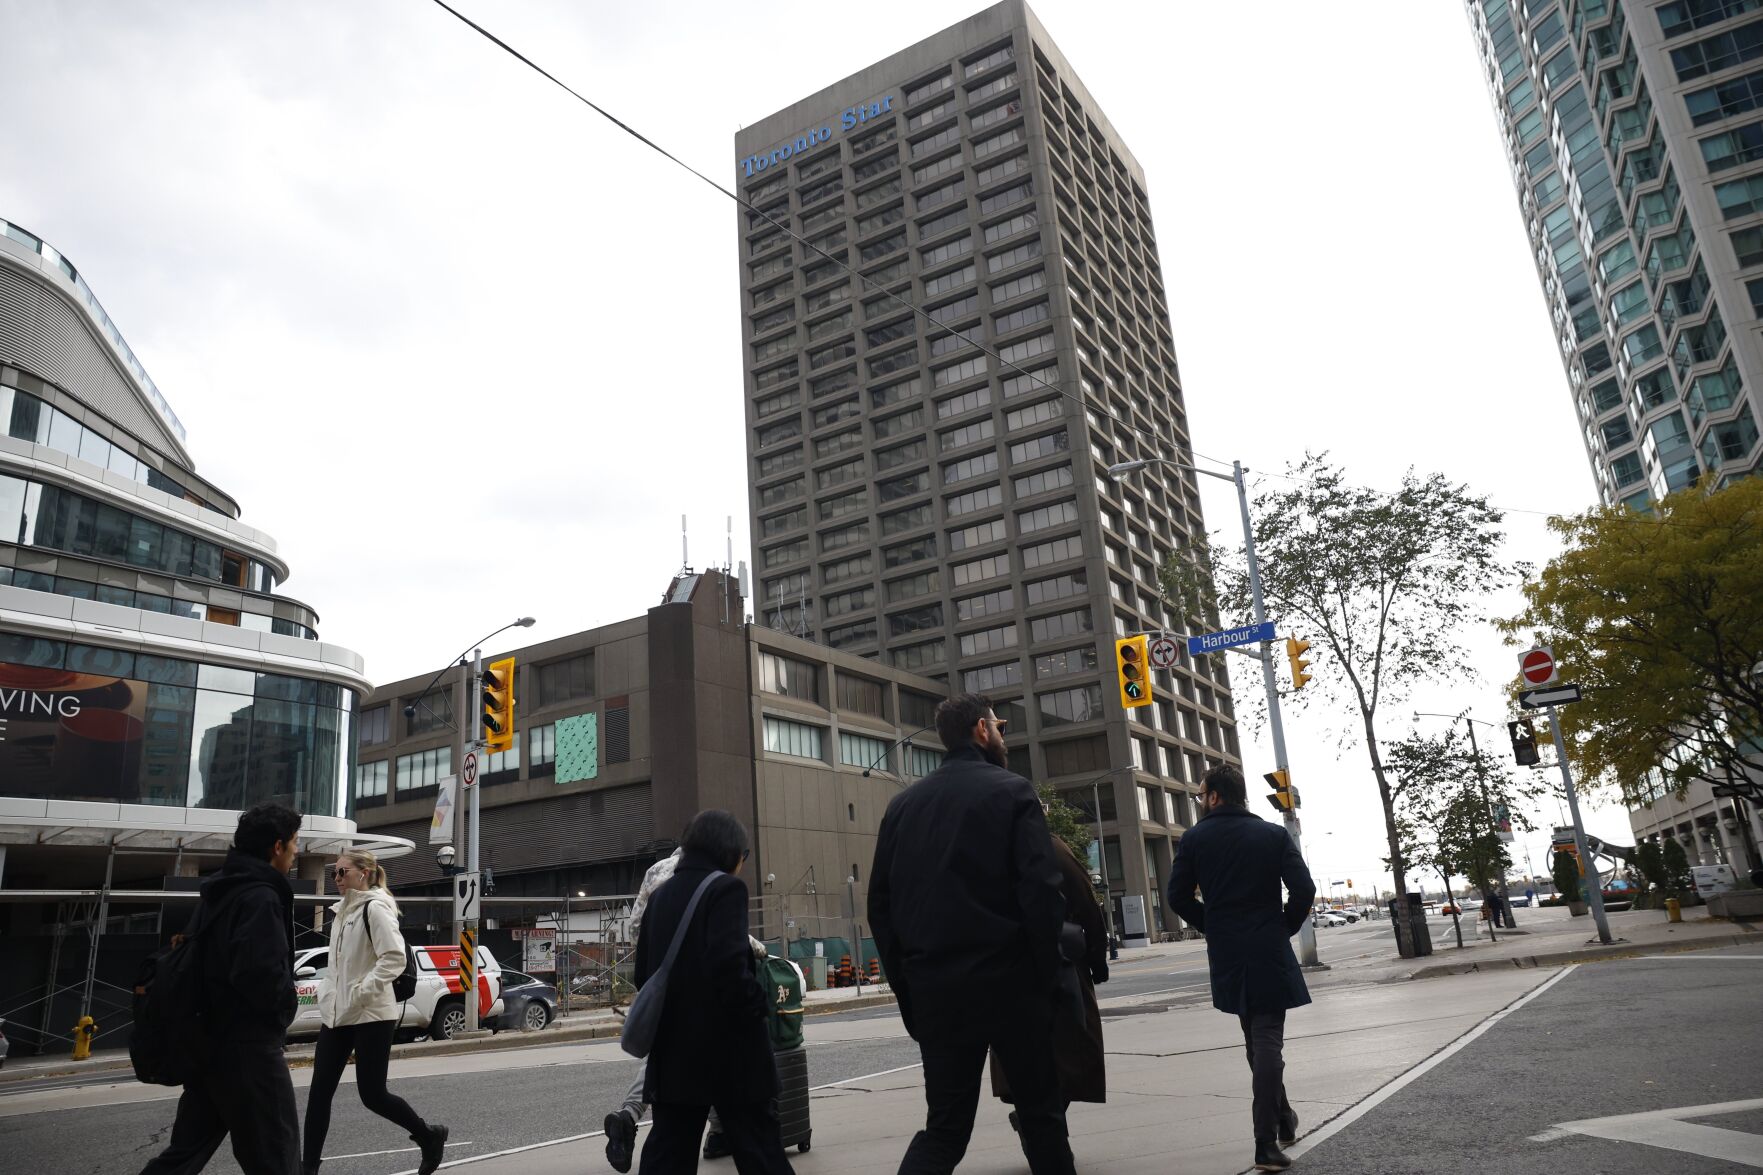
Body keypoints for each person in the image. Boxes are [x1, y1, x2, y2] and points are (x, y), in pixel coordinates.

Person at [868, 693, 1075, 1175]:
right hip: (1012, 986)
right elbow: (1043, 894)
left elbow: (881, 907)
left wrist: (909, 988)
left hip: (936, 990)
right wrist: (1047, 980)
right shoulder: (1013, 792)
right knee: (1042, 1117)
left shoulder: (902, 808)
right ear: (982, 731)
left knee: (944, 1129)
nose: (1002, 736)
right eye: (998, 727)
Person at [139, 803, 305, 1175]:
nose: (297, 853)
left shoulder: (221, 890)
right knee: (277, 1157)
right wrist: (283, 1009)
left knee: (183, 1154)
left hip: (207, 1043)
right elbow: (259, 972)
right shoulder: (259, 895)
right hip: (248, 1046)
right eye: (295, 844)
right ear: (277, 846)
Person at [1168, 765, 1316, 1173]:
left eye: (1201, 795)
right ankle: (1266, 1140)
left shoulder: (1195, 839)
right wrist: (1283, 925)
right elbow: (1303, 889)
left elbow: (1177, 897)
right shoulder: (1272, 834)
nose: (1200, 801)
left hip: (1229, 951)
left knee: (1255, 1038)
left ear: (1215, 797)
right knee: (1266, 1040)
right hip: (1268, 945)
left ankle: (1281, 1119)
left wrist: (1212, 923)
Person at [631, 810, 794, 1175]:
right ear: (730, 851)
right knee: (760, 1152)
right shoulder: (726, 889)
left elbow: (644, 975)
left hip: (674, 1056)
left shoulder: (659, 898)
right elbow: (730, 971)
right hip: (730, 1055)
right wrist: (760, 1004)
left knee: (668, 1156)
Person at [301, 848, 447, 1175]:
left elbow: (393, 958)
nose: (336, 878)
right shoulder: (341, 912)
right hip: (337, 1015)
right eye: (334, 873)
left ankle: (428, 1136)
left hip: (372, 1016)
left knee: (373, 1095)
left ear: (363, 873)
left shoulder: (375, 909)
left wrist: (361, 990)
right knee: (318, 1095)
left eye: (342, 872)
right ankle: (307, 1168)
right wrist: (331, 992)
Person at [990, 825, 1109, 1123]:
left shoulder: (986, 849)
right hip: (1057, 965)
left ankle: (1036, 1121)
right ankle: (1041, 1126)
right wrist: (1097, 958)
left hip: (1003, 968)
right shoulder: (1050, 848)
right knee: (1070, 1055)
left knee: (1022, 1057)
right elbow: (1085, 902)